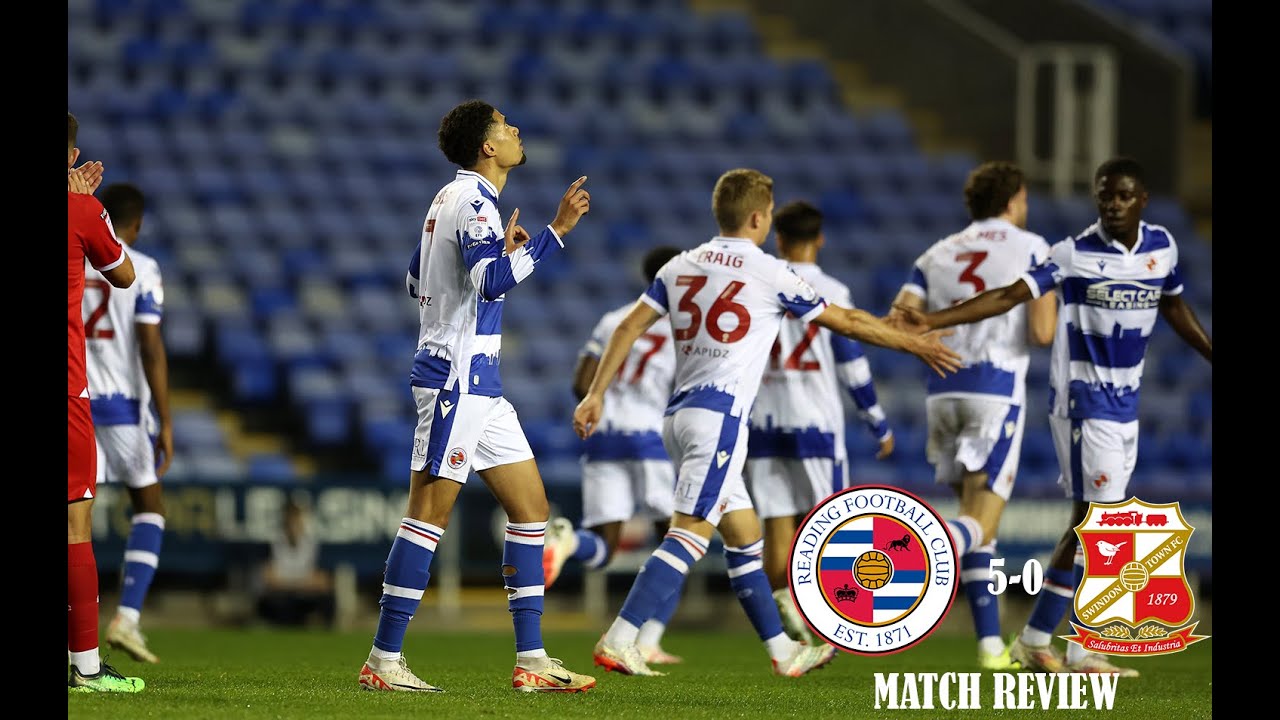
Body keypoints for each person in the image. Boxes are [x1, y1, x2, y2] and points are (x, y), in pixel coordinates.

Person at [574, 168, 962, 677]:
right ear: (759, 218)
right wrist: (913, 342)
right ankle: (621, 637)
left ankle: (782, 650)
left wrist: (596, 394)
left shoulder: (679, 265)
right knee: (689, 534)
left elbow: (627, 325)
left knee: (744, 535)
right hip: (720, 419)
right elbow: (844, 321)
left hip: (679, 416)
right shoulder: (767, 271)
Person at [897, 157, 1212, 677]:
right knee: (1105, 521)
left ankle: (1036, 639)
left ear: (1142, 200)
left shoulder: (1162, 247)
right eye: (1104, 196)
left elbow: (1173, 304)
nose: (1112, 204)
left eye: (1123, 196)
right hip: (1083, 403)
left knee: (1086, 523)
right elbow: (1006, 296)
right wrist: (935, 319)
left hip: (1125, 404)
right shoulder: (1071, 255)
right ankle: (1085, 648)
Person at [358, 100, 596, 693]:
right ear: (488, 147)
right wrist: (554, 233)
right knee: (427, 518)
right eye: (506, 127)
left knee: (532, 509)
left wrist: (504, 250)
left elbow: (417, 278)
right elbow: (489, 279)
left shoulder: (448, 199)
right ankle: (384, 660)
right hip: (455, 381)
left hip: (480, 385)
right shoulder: (472, 201)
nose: (517, 131)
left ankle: (532, 661)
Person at [888, 161, 1056, 670]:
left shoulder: (936, 252)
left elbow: (898, 320)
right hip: (995, 387)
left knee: (983, 527)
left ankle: (988, 647)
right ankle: (908, 549)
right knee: (978, 524)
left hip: (942, 389)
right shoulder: (1032, 247)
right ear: (1013, 201)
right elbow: (1042, 333)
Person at [744, 200, 895, 646]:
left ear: (780, 238)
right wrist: (877, 421)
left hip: (764, 421)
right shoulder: (833, 290)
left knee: (776, 525)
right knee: (829, 528)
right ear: (820, 239)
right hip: (815, 423)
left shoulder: (760, 282)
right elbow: (852, 364)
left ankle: (787, 620)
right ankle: (827, 621)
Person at [543, 245, 686, 666]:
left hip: (604, 436)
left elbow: (581, 384)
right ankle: (649, 639)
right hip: (650, 438)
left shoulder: (613, 320)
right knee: (677, 542)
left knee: (603, 548)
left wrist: (602, 400)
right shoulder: (685, 327)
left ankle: (568, 540)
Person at [67, 111, 144, 693]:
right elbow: (122, 273)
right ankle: (87, 668)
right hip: (68, 389)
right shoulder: (83, 209)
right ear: (71, 156)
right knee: (75, 524)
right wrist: (88, 209)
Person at [82, 183, 173, 665]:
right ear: (134, 226)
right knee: (150, 507)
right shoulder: (144, 268)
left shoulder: (75, 256)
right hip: (122, 408)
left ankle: (81, 632)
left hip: (76, 403)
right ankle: (127, 619)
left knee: (78, 520)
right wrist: (166, 418)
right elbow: (151, 347)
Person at [256, 497, 335, 628]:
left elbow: (323, 581)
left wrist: (289, 582)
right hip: (282, 596)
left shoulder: (312, 544)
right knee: (278, 602)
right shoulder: (273, 543)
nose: (295, 524)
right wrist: (303, 582)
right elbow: (269, 580)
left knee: (327, 599)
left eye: (298, 519)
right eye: (291, 520)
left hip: (303, 594)